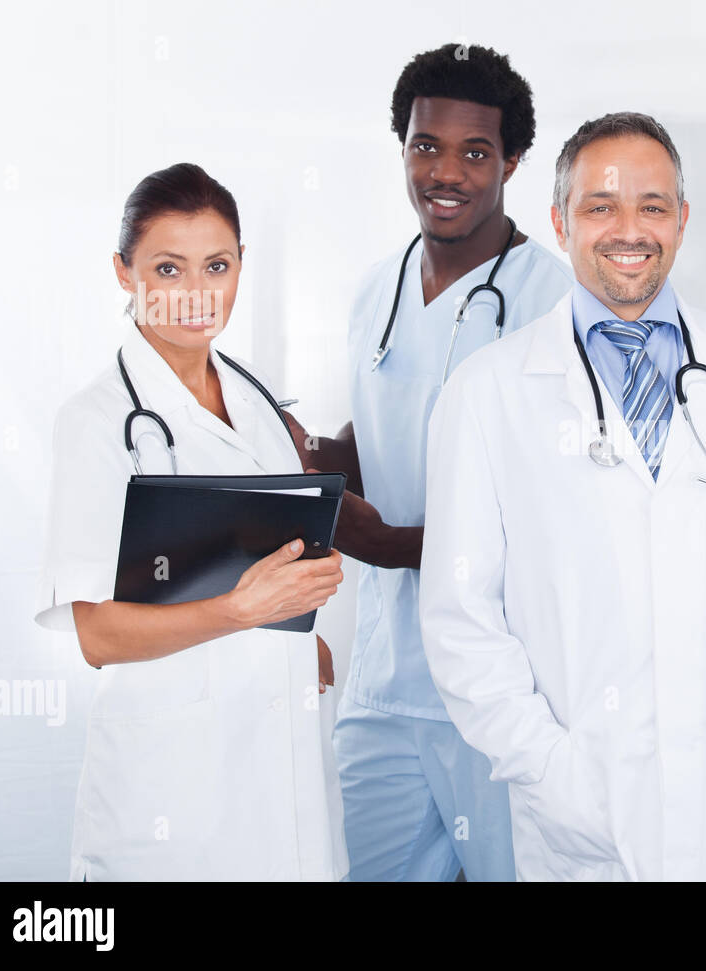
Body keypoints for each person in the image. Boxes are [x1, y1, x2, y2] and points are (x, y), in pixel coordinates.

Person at [419, 111, 706, 881]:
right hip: (581, 822)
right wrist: (551, 768)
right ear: (560, 221)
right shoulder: (487, 393)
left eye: (653, 206)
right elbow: (461, 619)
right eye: (601, 206)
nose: (630, 229)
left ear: (682, 220)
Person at [287, 44, 571, 882]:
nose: (446, 171)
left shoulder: (551, 304)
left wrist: (394, 545)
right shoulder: (376, 289)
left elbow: (554, 506)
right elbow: (382, 435)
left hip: (502, 686)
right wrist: (309, 457)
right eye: (425, 146)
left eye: (475, 152)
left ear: (513, 161)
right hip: (385, 684)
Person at [34, 162, 348, 880]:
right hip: (172, 808)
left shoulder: (256, 402)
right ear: (123, 272)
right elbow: (94, 633)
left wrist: (303, 631)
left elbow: (263, 551)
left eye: (217, 265)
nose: (196, 295)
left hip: (284, 782)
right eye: (167, 269)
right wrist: (241, 611)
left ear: (242, 265)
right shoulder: (97, 421)